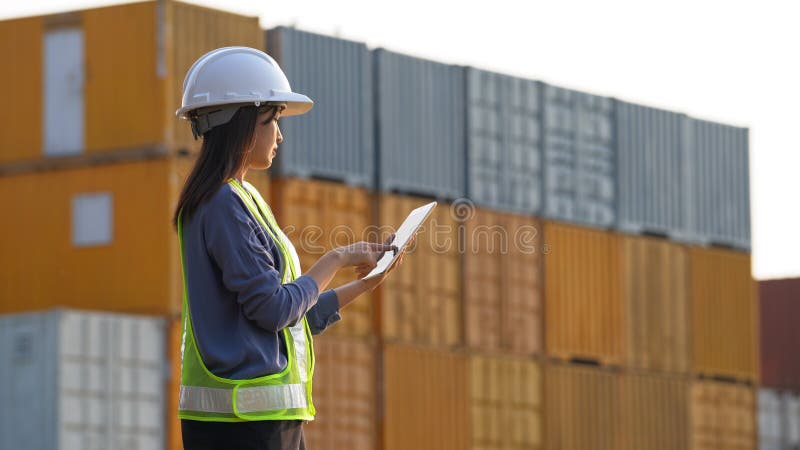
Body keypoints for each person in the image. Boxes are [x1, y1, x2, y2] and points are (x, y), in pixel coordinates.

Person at [172, 47, 404, 450]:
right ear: (242, 123)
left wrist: (366, 283)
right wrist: (338, 257)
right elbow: (275, 309)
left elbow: (290, 318)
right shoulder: (224, 204)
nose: (279, 133)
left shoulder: (241, 198)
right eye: (273, 119)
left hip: (255, 424)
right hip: (245, 428)